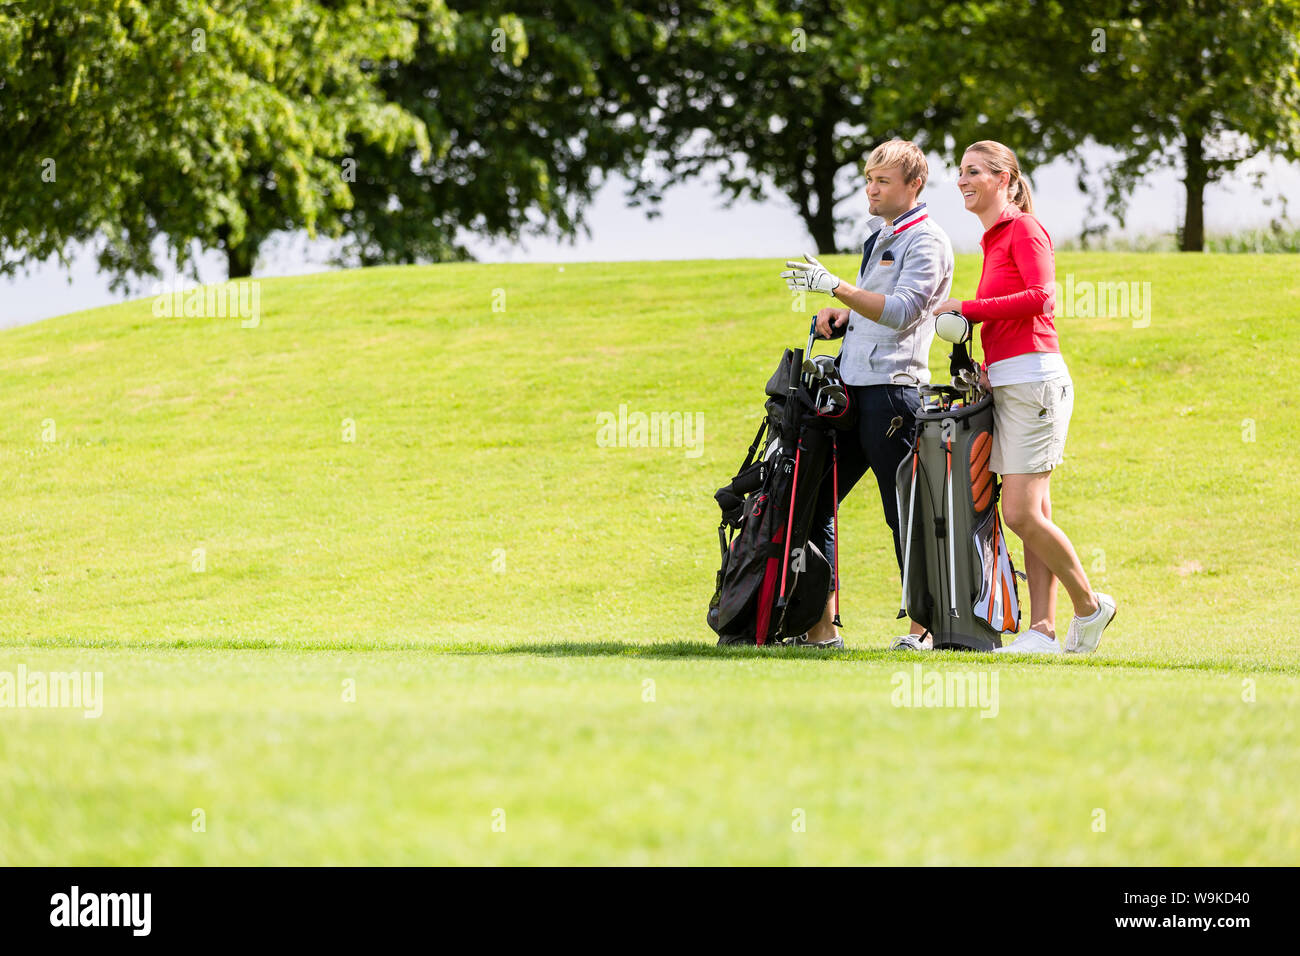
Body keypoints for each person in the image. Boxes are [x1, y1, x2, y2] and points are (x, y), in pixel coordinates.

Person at [931, 140, 1117, 654]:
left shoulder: (1025, 230)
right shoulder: (992, 238)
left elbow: (1042, 298)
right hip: (1014, 381)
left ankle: (1089, 606)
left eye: (974, 172)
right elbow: (1009, 314)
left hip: (1036, 384)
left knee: (1019, 513)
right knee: (1036, 512)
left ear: (1004, 179)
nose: (963, 180)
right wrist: (991, 368)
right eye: (961, 172)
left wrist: (968, 308)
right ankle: (1043, 630)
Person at [781, 139, 954, 650]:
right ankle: (822, 630)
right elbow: (877, 306)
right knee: (816, 502)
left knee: (902, 511)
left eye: (882, 181)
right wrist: (846, 316)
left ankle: (924, 631)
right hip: (853, 392)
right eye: (868, 179)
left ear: (913, 185)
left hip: (895, 395)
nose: (869, 189)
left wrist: (835, 288)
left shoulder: (927, 240)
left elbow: (903, 311)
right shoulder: (881, 234)